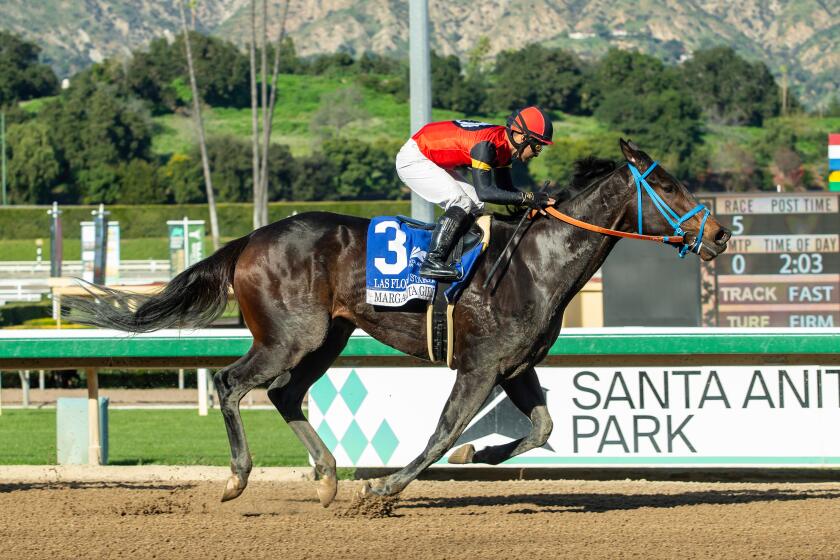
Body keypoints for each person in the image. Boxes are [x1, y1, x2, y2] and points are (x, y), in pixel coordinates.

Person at [396, 106, 555, 281]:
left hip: (433, 158)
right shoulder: (486, 146)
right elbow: (486, 192)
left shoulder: (504, 147)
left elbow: (506, 190)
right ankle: (432, 262)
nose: (537, 154)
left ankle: (458, 256)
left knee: (475, 204)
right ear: (523, 138)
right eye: (538, 147)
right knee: (462, 201)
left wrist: (533, 200)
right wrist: (529, 198)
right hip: (415, 158)